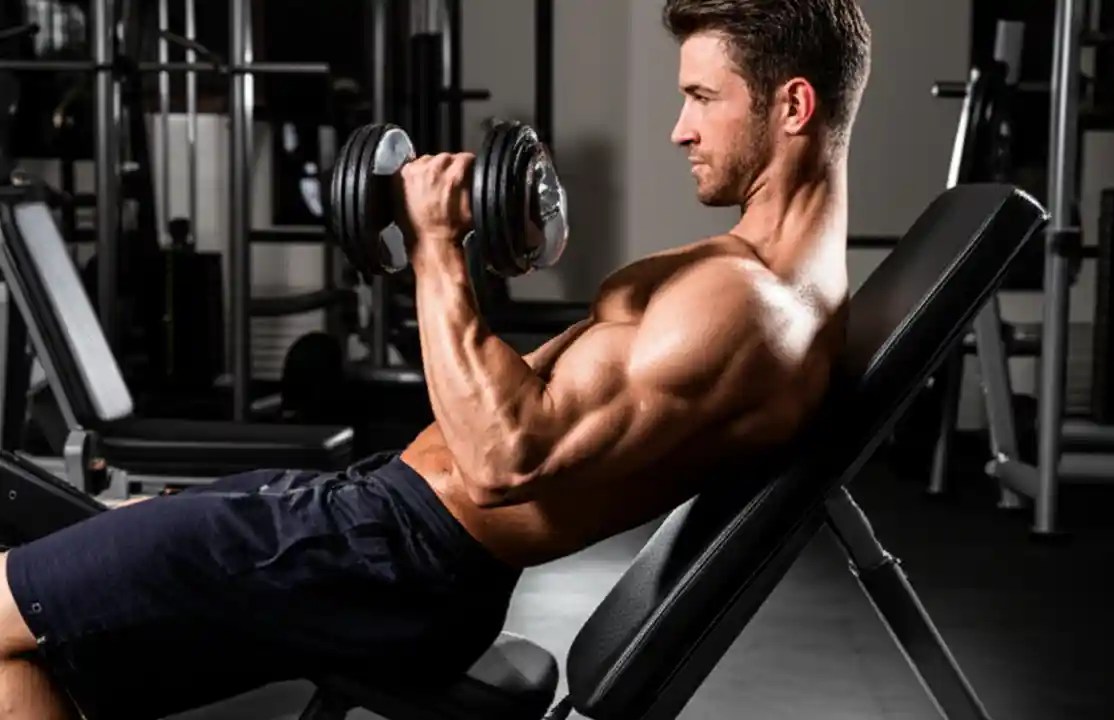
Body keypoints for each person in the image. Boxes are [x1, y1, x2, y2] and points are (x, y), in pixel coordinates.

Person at [0, 1, 872, 717]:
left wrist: (436, 246)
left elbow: (502, 460)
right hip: (371, 532)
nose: (680, 129)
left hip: (381, 555)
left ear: (791, 107)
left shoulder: (743, 308)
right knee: (35, 672)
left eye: (701, 97)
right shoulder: (759, 289)